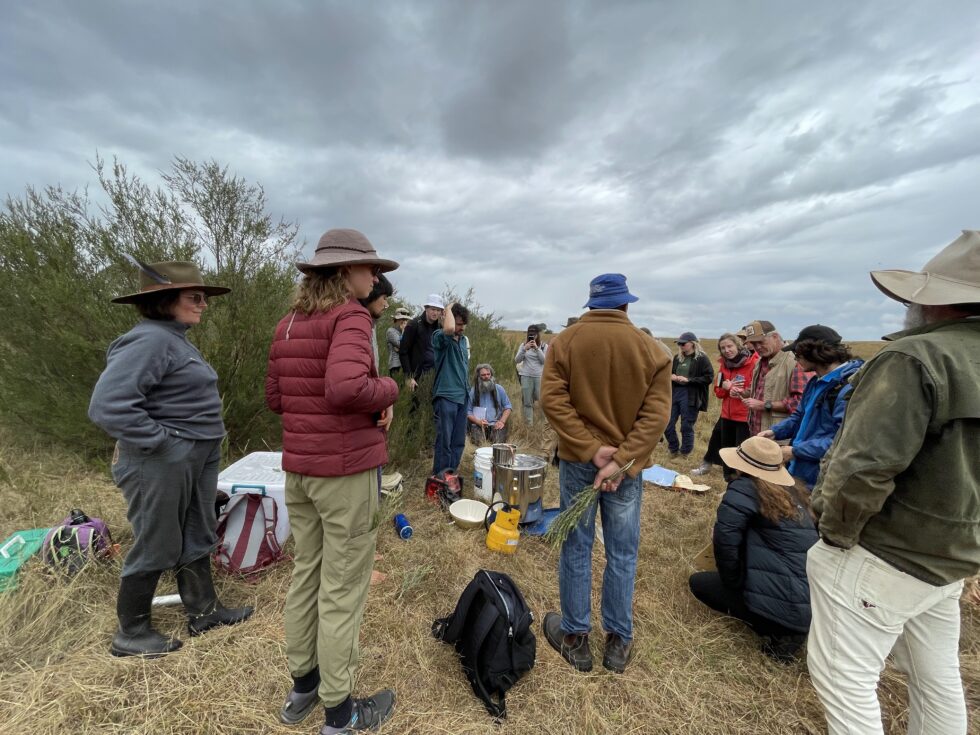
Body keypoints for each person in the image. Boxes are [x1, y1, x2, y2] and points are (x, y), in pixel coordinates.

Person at [806, 230, 980, 735]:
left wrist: (835, 536)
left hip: (887, 551)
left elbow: (863, 467)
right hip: (952, 558)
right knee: (938, 680)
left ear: (937, 302)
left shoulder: (916, 358)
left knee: (847, 681)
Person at [266, 229, 400, 734]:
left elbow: (277, 398)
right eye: (369, 268)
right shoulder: (351, 317)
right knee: (342, 589)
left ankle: (303, 688)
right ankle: (340, 715)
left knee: (308, 576)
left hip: (300, 472)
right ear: (345, 273)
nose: (375, 277)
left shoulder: (288, 324)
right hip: (344, 474)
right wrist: (387, 389)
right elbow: (346, 388)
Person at [89, 260, 253, 658]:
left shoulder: (173, 337)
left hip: (191, 457)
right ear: (165, 300)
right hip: (159, 460)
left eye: (203, 297)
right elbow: (108, 406)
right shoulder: (149, 340)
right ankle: (131, 632)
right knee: (157, 540)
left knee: (196, 530)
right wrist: (163, 442)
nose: (204, 304)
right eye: (194, 297)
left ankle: (204, 612)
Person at [541, 273, 671, 674]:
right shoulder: (654, 351)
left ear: (592, 305)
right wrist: (624, 459)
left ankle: (576, 636)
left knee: (576, 545)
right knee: (623, 551)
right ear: (626, 305)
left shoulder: (565, 343)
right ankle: (618, 641)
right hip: (627, 471)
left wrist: (591, 449)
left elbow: (552, 400)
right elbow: (656, 416)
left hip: (581, 463)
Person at [688, 436, 818, 663]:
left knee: (699, 584)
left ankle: (771, 626)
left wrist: (733, 582)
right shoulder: (795, 493)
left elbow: (725, 543)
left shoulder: (744, 489)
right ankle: (787, 627)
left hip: (779, 609)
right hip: (810, 608)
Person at [758, 325, 863, 489]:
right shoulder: (815, 382)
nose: (795, 358)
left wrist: (795, 451)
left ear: (814, 352)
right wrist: (774, 432)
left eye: (797, 353)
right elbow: (799, 416)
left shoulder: (847, 388)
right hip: (800, 473)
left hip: (822, 480)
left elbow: (841, 441)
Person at [692, 332, 758, 479]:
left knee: (740, 452)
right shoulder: (724, 366)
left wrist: (742, 391)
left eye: (730, 346)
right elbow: (718, 392)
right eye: (723, 348)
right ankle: (728, 480)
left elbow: (759, 390)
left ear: (738, 345)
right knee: (726, 450)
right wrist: (725, 388)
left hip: (744, 417)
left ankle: (740, 484)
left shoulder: (754, 364)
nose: (727, 350)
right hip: (727, 415)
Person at [741, 320, 808, 437]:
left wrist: (764, 405)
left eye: (761, 342)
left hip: (780, 439)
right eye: (754, 344)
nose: (758, 347)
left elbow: (801, 402)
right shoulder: (760, 362)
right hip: (758, 435)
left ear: (775, 336)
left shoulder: (794, 361)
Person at [431, 302, 470, 473]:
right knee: (444, 441)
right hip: (446, 396)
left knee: (458, 440)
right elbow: (448, 329)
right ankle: (440, 478)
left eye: (463, 324)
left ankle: (450, 475)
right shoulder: (440, 336)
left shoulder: (462, 341)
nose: (461, 328)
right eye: (458, 324)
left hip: (462, 396)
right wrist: (448, 308)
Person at [663, 332, 714, 459]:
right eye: (679, 343)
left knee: (686, 426)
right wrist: (671, 376)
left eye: (683, 343)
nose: (680, 346)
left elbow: (708, 377)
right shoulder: (677, 358)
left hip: (691, 394)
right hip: (675, 393)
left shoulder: (702, 359)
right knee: (667, 424)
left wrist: (689, 380)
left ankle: (684, 452)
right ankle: (673, 448)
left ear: (692, 343)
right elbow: (669, 373)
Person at [398, 294, 444, 390]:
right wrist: (409, 377)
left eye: (438, 310)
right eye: (433, 309)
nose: (435, 313)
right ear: (426, 308)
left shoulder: (440, 328)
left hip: (435, 378)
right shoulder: (414, 324)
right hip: (416, 378)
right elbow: (403, 351)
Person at [358, 273, 394, 381]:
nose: (386, 305)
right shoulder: (357, 326)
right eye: (384, 298)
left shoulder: (370, 324)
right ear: (372, 294)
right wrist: (388, 387)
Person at [466, 363, 512, 444]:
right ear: (478, 377)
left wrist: (502, 421)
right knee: (478, 444)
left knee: (498, 444)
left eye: (488, 374)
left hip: (496, 424)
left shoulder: (499, 389)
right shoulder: (473, 392)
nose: (486, 377)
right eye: (483, 375)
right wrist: (477, 422)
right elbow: (468, 411)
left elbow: (508, 407)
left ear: (491, 375)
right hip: (478, 425)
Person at [514, 324, 547, 425]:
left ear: (538, 334)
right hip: (526, 376)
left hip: (539, 377)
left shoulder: (544, 346)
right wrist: (525, 349)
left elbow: (544, 361)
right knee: (527, 402)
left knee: (541, 401)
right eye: (530, 333)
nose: (532, 335)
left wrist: (537, 349)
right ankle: (529, 425)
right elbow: (517, 360)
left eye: (534, 333)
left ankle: (543, 423)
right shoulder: (523, 345)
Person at [386, 307, 411, 377]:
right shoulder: (391, 331)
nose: (404, 322)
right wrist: (404, 331)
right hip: (395, 365)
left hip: (406, 365)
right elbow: (402, 345)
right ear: (396, 320)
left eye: (406, 319)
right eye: (402, 319)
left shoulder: (405, 332)